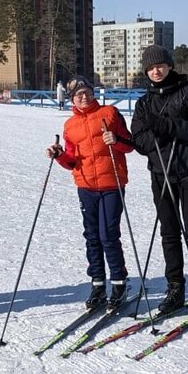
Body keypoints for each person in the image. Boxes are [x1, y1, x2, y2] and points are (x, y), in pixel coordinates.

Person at [129, 45, 188, 316]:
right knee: (169, 232)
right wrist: (158, 137)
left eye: (161, 66)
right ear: (146, 71)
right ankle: (175, 287)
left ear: (169, 66)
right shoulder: (144, 103)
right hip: (160, 174)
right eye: (151, 67)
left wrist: (167, 126)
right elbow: (139, 140)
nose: (157, 71)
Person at [46, 76, 134, 311]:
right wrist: (59, 155)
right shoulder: (70, 126)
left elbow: (129, 144)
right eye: (78, 94)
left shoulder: (110, 113)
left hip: (111, 183)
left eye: (86, 92)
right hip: (85, 185)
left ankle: (118, 283)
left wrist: (114, 140)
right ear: (72, 98)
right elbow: (72, 161)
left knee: (108, 235)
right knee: (92, 236)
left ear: (93, 92)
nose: (83, 97)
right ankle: (97, 283)